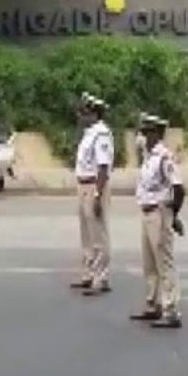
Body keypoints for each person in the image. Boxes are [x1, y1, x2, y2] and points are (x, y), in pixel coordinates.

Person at [129, 114, 186, 329]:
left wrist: (173, 215)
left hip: (159, 212)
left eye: (147, 132)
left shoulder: (164, 157)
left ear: (157, 134)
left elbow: (179, 188)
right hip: (146, 211)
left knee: (164, 262)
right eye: (143, 132)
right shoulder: (148, 156)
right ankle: (153, 304)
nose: (143, 135)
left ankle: (171, 310)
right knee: (149, 262)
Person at [71, 95, 115, 295]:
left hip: (94, 185)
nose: (81, 116)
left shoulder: (101, 135)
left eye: (85, 112)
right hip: (83, 184)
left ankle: (101, 277)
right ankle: (88, 273)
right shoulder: (89, 133)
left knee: (98, 233)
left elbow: (103, 168)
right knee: (87, 233)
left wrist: (97, 194)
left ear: (95, 113)